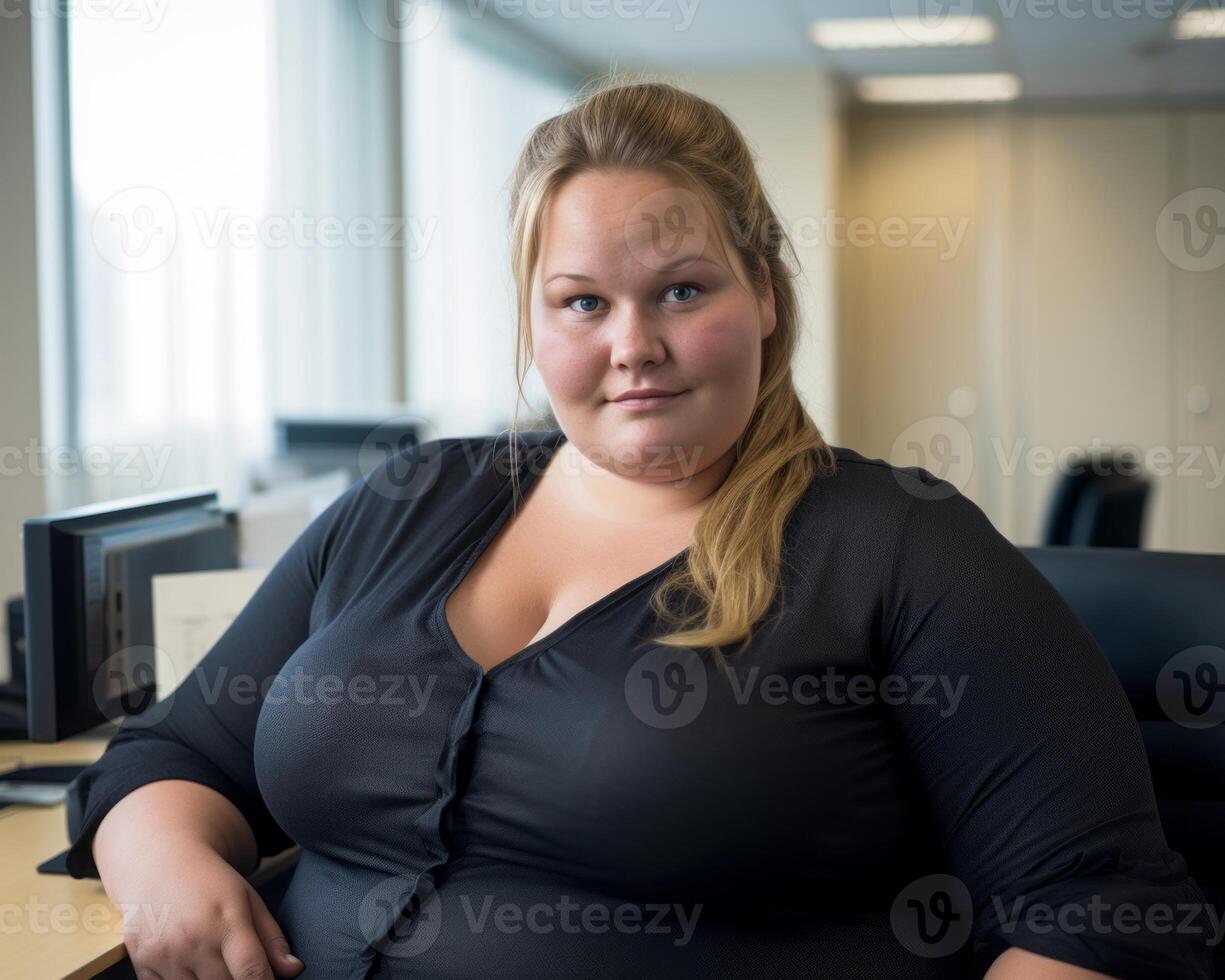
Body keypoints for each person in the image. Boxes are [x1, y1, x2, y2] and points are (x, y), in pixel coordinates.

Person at [64, 76, 1214, 980]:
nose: (632, 346)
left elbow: (1100, 913)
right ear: (534, 316)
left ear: (764, 294)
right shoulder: (403, 501)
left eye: (680, 290)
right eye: (582, 301)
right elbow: (176, 752)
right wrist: (158, 860)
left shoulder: (897, 543)